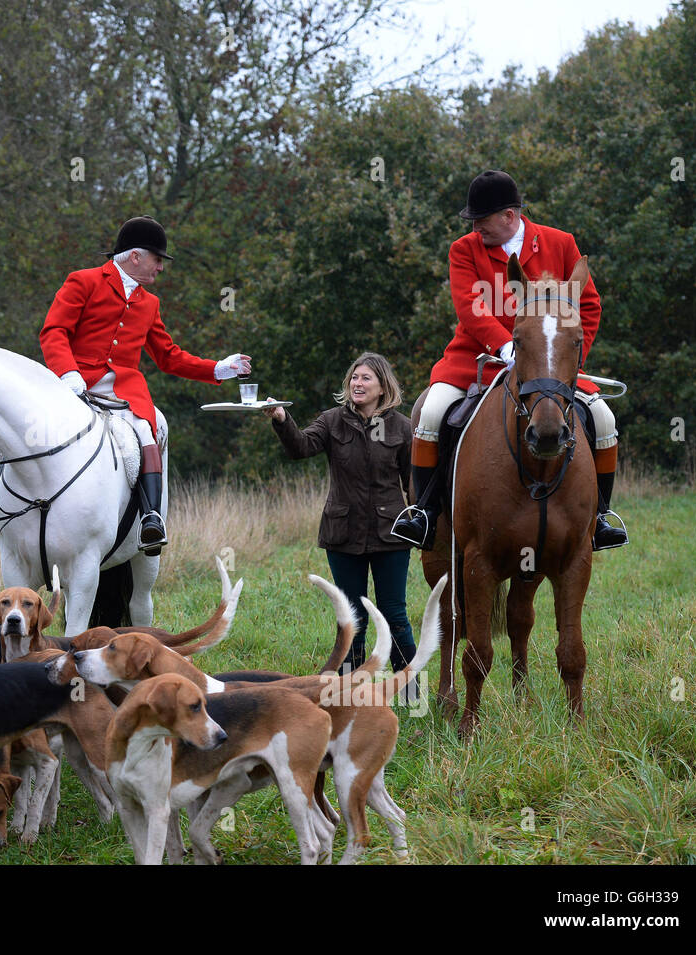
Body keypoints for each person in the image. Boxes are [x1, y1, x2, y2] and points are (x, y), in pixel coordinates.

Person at [0, 216, 250, 556]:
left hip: (122, 390)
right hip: (71, 380)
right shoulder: (83, 281)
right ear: (135, 256)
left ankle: (151, 518)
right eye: (158, 260)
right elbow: (54, 332)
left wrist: (217, 369)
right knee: (14, 422)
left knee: (148, 429)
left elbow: (168, 356)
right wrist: (68, 373)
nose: (161, 268)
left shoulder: (149, 303)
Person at [391, 170, 627, 552]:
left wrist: (564, 359)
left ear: (509, 215)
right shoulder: (464, 250)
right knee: (431, 414)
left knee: (604, 419)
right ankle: (424, 513)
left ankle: (601, 518)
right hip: (476, 359)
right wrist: (505, 347)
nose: (475, 228)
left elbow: (588, 305)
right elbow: (471, 309)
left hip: (549, 367)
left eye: (481, 219)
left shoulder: (560, 243)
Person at [263, 352, 416, 677]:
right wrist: (281, 419)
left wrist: (422, 523)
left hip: (391, 536)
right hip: (343, 535)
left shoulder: (402, 427)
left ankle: (412, 696)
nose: (357, 384)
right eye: (354, 378)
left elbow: (412, 482)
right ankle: (349, 698)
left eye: (366, 378)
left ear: (382, 386)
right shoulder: (331, 420)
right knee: (352, 619)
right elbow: (300, 447)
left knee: (395, 616)